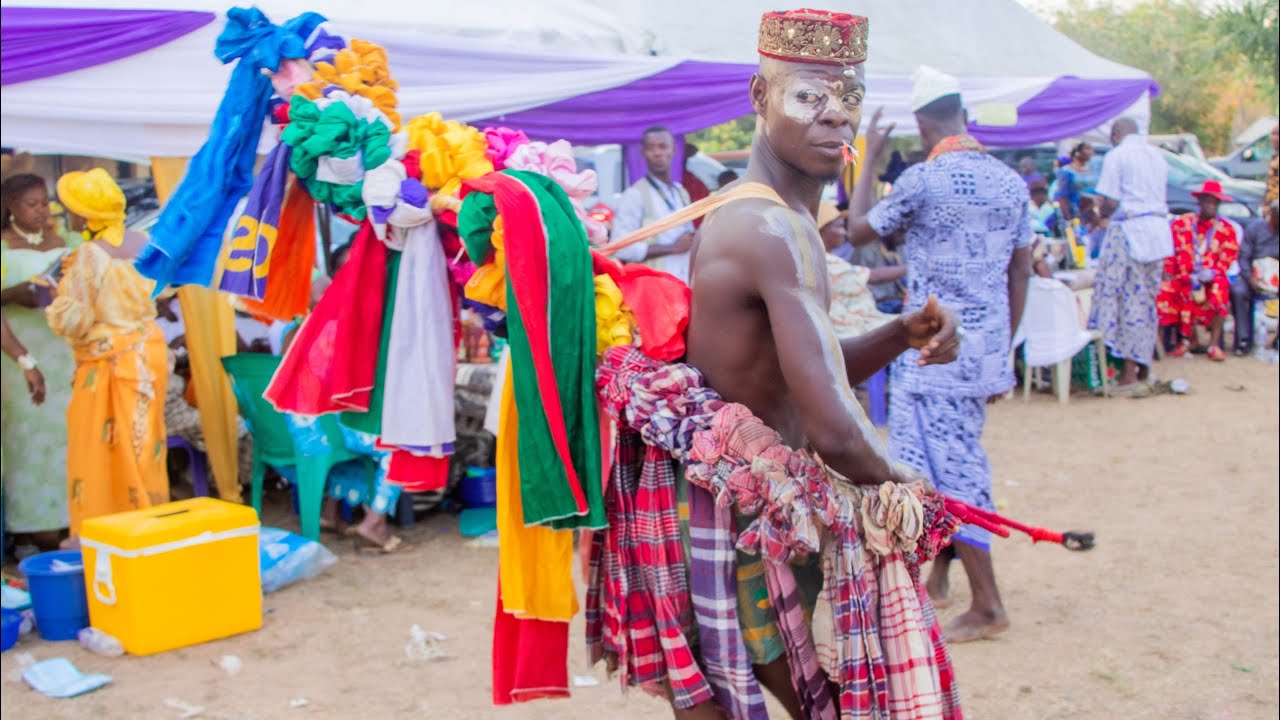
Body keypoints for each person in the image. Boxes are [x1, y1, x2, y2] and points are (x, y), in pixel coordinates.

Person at [645, 10, 965, 718]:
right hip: (736, 515)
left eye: (847, 99)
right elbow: (835, 431)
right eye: (808, 97)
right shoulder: (769, 229)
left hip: (740, 507)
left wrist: (900, 333)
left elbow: (806, 374)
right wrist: (907, 490)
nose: (836, 118)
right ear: (760, 97)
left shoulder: (779, 220)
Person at [848, 64, 1032, 643]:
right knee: (942, 459)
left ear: (923, 125)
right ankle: (940, 578)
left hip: (932, 352)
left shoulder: (922, 182)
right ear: (963, 118)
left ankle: (989, 604)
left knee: (948, 471)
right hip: (982, 351)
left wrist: (869, 155)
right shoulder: (1011, 182)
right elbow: (1021, 271)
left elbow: (856, 231)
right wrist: (1002, 351)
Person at [46, 169, 168, 543]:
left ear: (84, 216)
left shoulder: (88, 255)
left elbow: (73, 319)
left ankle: (104, 533)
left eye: (71, 209)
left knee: (98, 452)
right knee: (144, 447)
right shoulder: (149, 242)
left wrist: (53, 302)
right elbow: (160, 296)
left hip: (107, 364)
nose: (68, 216)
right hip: (149, 357)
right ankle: (147, 527)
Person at [1, 173, 72, 542]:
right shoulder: (3, 245)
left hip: (65, 354)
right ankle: (32, 528)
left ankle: (68, 520)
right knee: (28, 441)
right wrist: (17, 291)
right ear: (10, 207)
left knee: (68, 437)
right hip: (19, 356)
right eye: (32, 204)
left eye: (45, 202)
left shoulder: (64, 240)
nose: (42, 211)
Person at [1089, 117, 1172, 394]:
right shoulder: (1158, 157)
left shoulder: (1118, 155)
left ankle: (1127, 373)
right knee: (1147, 300)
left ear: (1116, 134)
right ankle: (1144, 366)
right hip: (1158, 231)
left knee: (1122, 298)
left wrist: (1099, 215)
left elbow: (1111, 201)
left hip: (1130, 230)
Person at [1157, 180, 1241, 361]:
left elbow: (1229, 256)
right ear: (1200, 202)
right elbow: (1169, 251)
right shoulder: (1182, 223)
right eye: (1207, 201)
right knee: (1168, 288)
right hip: (1184, 275)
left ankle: (1213, 345)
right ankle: (1185, 340)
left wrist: (1212, 272)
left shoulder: (1226, 229)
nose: (1210, 206)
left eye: (1214, 202)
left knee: (1220, 288)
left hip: (1211, 276)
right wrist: (1171, 269)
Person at [610, 126, 696, 283]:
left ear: (673, 150)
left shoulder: (681, 192)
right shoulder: (634, 195)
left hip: (684, 282)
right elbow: (620, 247)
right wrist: (672, 247)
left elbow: (688, 239)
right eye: (650, 148)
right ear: (643, 153)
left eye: (663, 146)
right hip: (653, 287)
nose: (657, 153)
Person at [818, 203, 901, 338]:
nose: (844, 232)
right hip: (853, 334)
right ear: (821, 230)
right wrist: (911, 269)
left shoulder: (823, 258)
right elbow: (875, 276)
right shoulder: (825, 260)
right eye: (839, 226)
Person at [1231, 200, 1280, 355]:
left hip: (1275, 279)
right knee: (1238, 291)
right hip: (1252, 277)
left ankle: (1276, 340)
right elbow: (1243, 257)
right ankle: (1243, 339)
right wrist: (1251, 278)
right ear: (1273, 215)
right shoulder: (1255, 229)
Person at [1054, 140, 1098, 221]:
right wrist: (1068, 219)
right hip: (1077, 212)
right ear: (1077, 151)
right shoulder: (1066, 171)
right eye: (1087, 149)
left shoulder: (1095, 168)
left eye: (1091, 149)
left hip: (1094, 213)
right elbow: (1062, 196)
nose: (1091, 152)